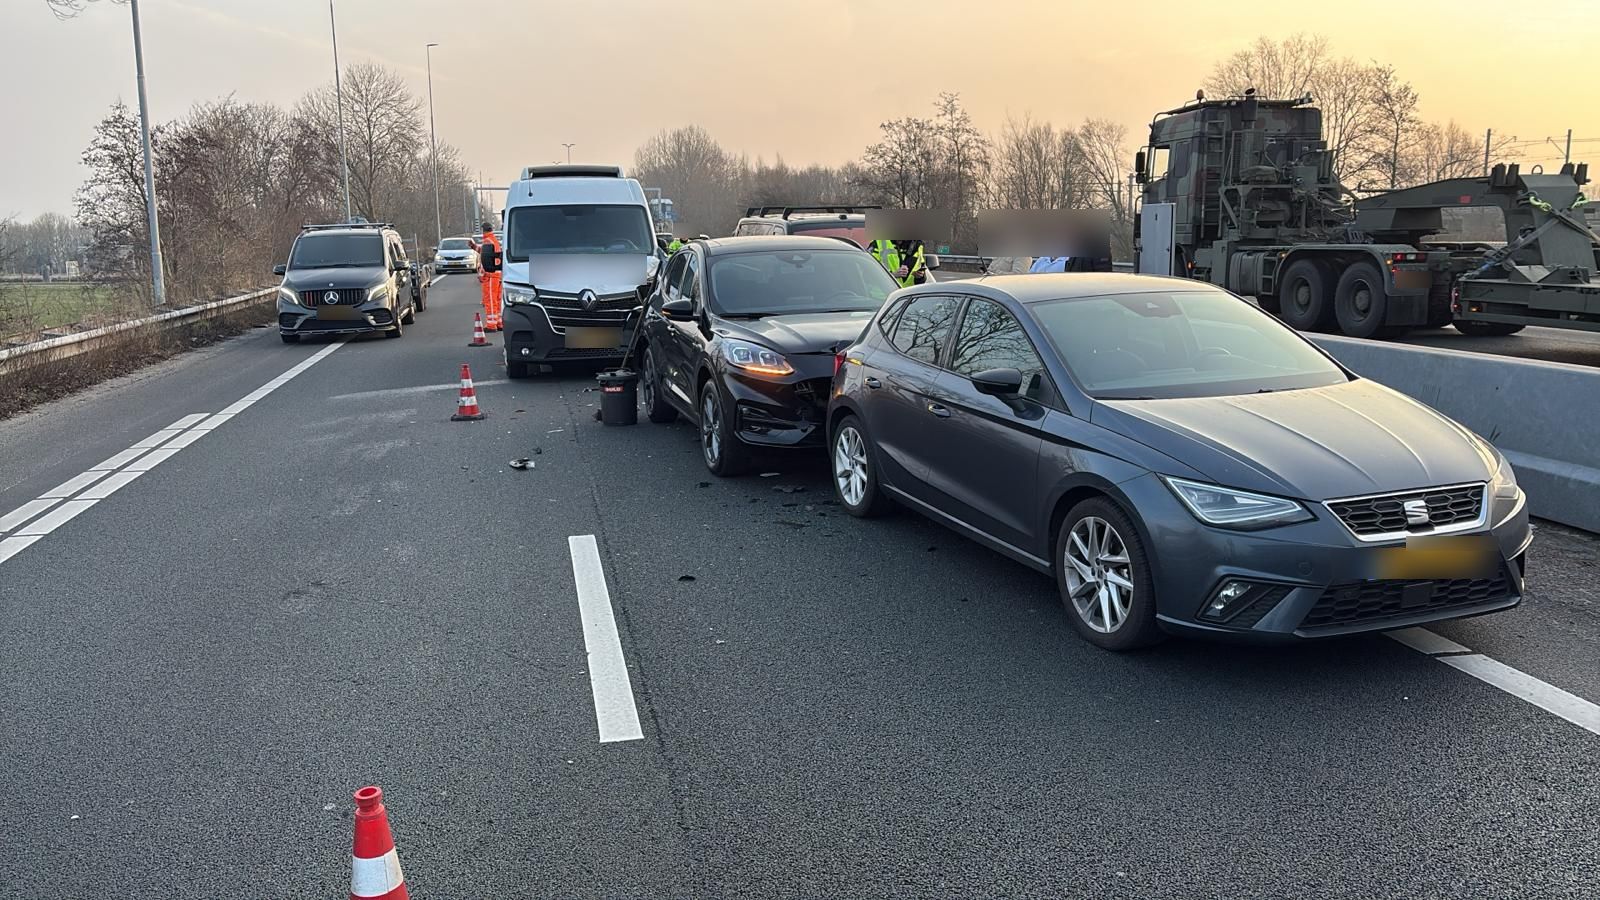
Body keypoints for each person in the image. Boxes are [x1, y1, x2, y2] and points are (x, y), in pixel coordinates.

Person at [477, 222, 503, 331]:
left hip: (490, 275)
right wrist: (474, 246)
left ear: (483, 230)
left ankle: (491, 325)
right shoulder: (494, 240)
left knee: (490, 300)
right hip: (497, 274)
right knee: (497, 300)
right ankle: (498, 322)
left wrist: (482, 274)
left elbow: (485, 259)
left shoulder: (487, 241)